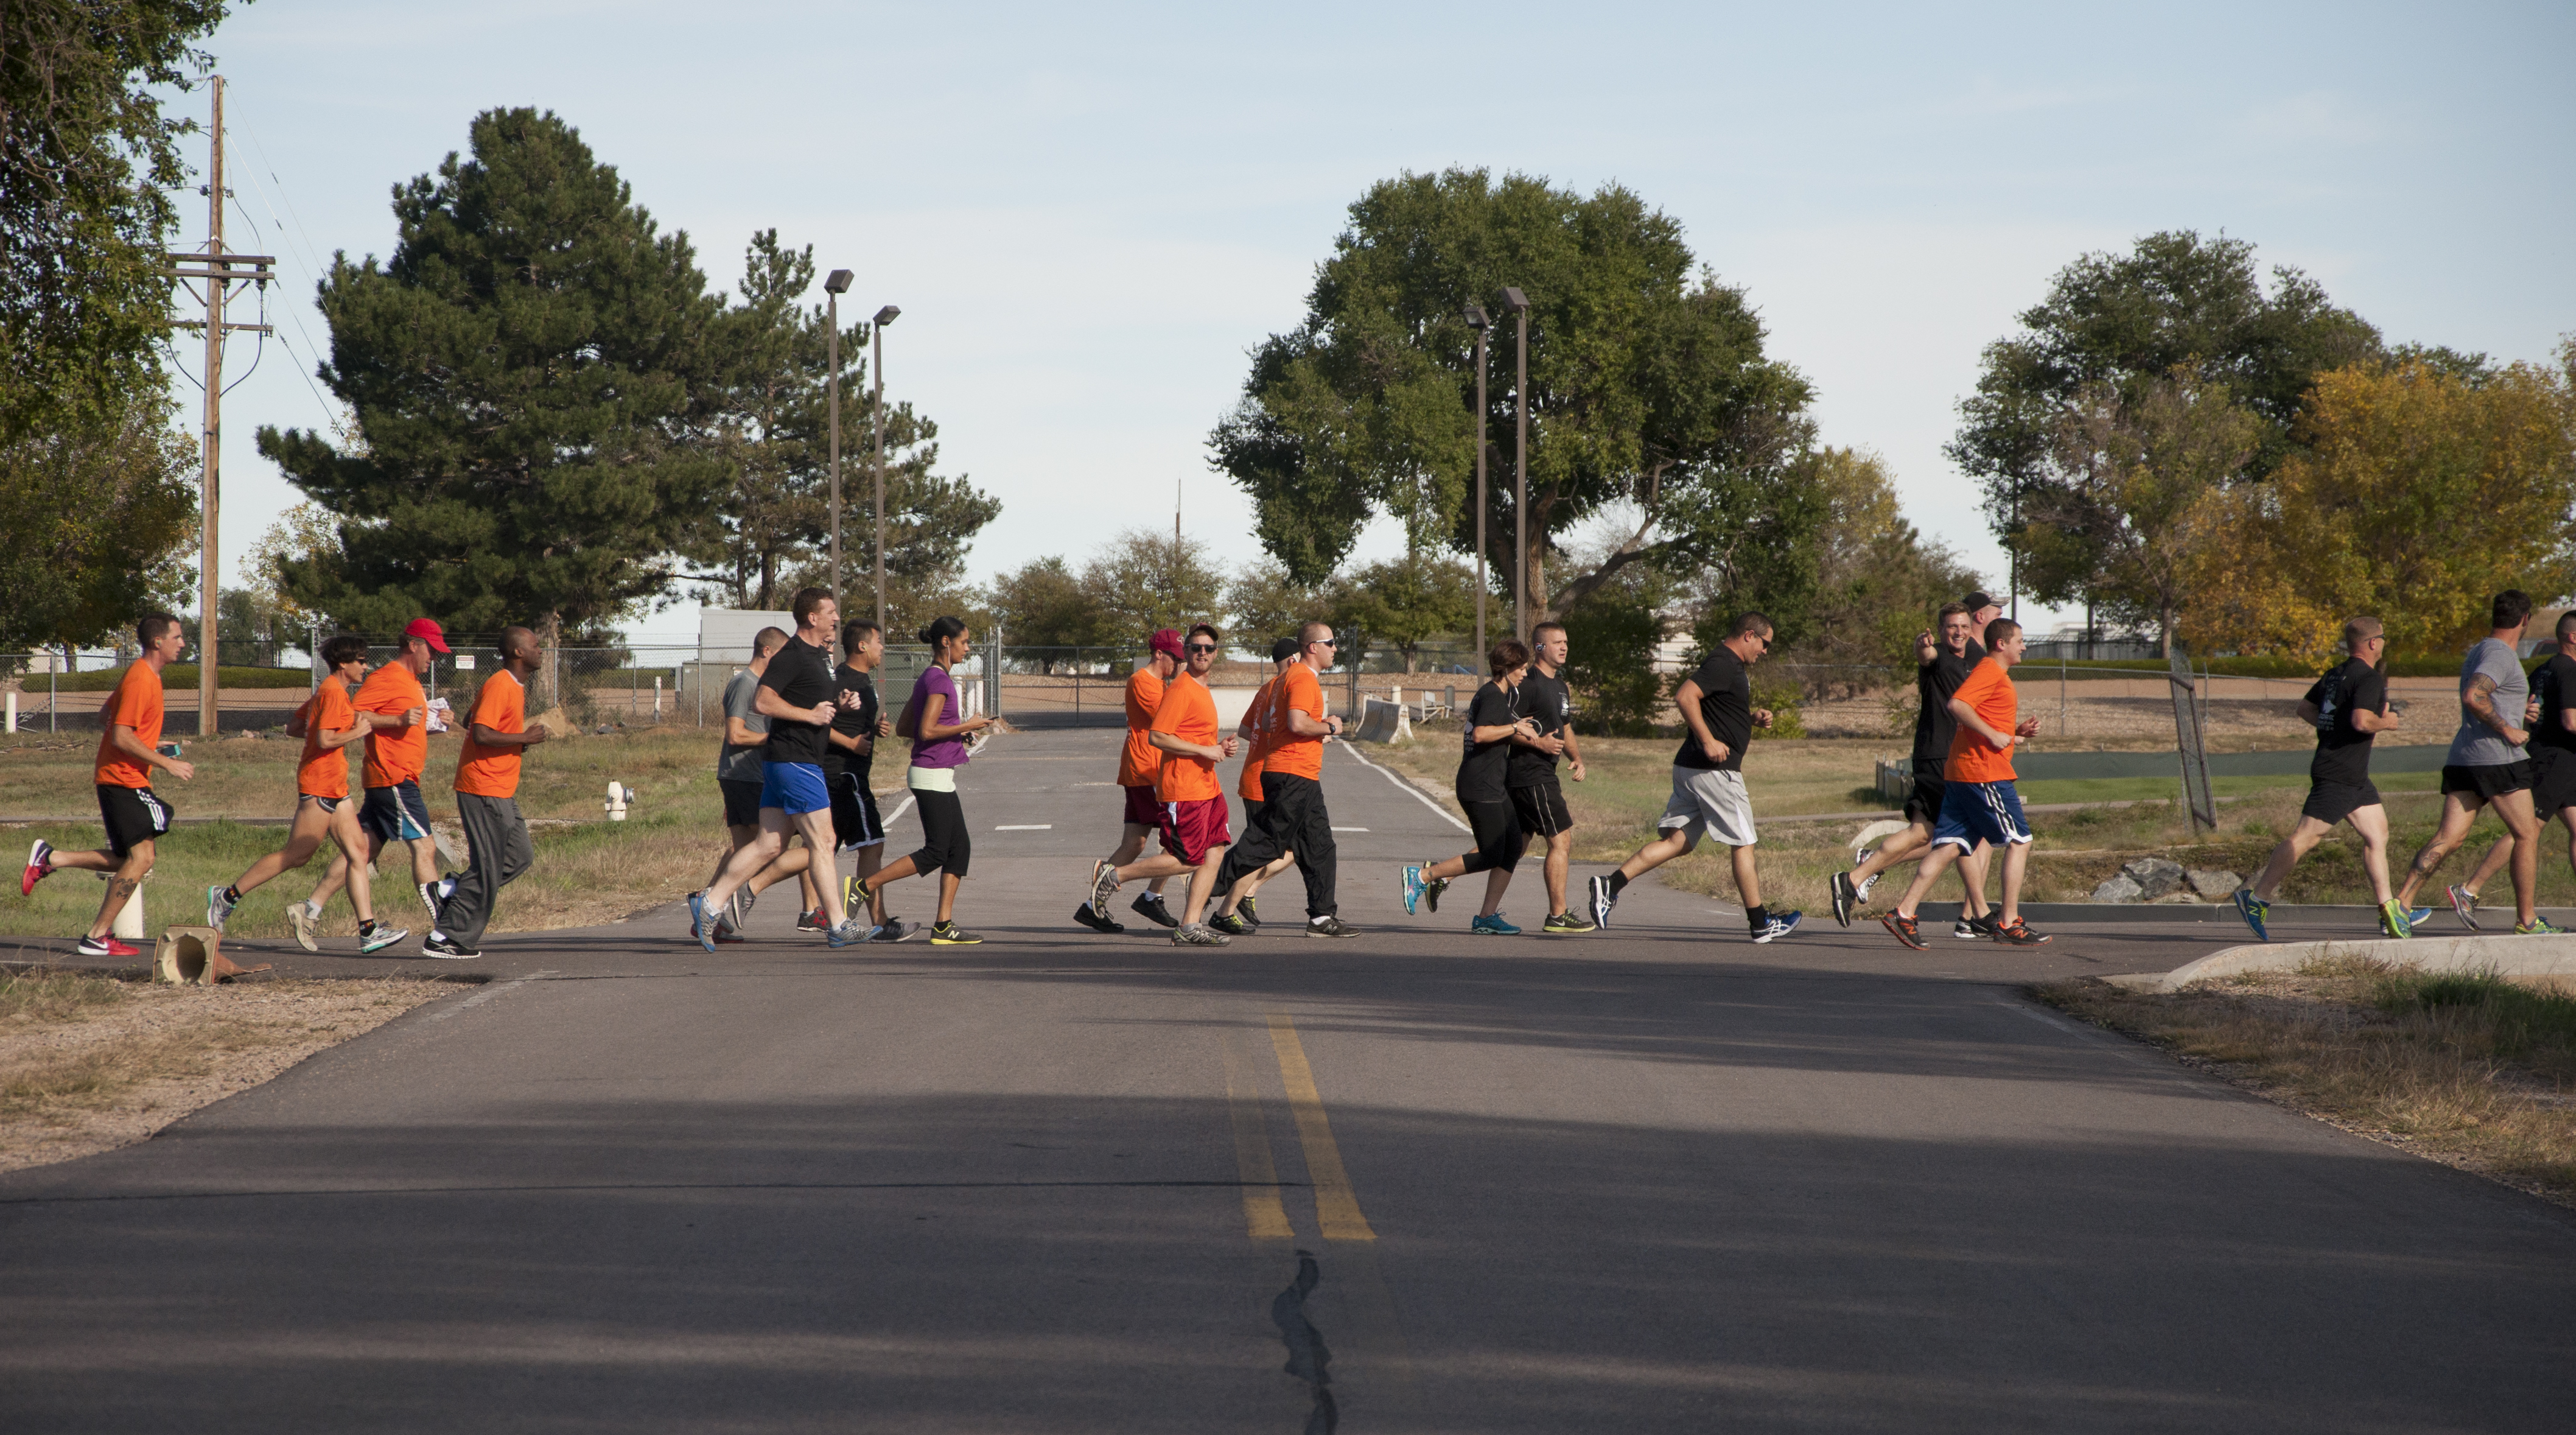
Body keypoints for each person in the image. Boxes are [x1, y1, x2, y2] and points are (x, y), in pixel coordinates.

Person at [1586, 614, 1802, 943]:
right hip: (1714, 772)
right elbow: (1685, 696)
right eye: (1765, 644)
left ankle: (1610, 886)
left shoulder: (1728, 665)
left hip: (1691, 769)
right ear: (1749, 636)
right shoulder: (1724, 663)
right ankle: (1760, 923)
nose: (1766, 652)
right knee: (1743, 842)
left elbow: (1717, 709)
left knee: (1677, 843)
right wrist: (1708, 740)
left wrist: (1749, 719)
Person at [207, 634, 408, 954]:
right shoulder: (332, 693)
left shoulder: (329, 693)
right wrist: (358, 731)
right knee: (296, 856)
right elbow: (326, 740)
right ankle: (227, 896)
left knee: (359, 854)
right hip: (319, 786)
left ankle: (369, 931)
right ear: (344, 664)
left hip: (336, 787)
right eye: (361, 661)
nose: (366, 667)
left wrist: (326, 730)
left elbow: (295, 727)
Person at [693, 588, 869, 949]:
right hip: (795, 761)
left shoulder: (817, 657)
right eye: (831, 612)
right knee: (824, 840)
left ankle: (709, 902)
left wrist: (842, 703)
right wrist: (811, 715)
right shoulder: (790, 655)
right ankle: (838, 924)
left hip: (788, 760)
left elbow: (810, 698)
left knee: (769, 845)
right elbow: (763, 700)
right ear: (812, 618)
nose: (837, 618)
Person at [2230, 617, 2415, 941]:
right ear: (2373, 643)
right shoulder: (2370, 678)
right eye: (2384, 638)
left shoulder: (2335, 674)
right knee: (2305, 838)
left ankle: (2389, 910)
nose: (2384, 643)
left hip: (2353, 776)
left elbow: (2305, 709)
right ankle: (2256, 898)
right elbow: (2362, 720)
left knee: (2377, 835)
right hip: (2339, 774)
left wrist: (2332, 727)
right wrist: (2388, 723)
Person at [23, 612, 197, 958]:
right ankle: (96, 936)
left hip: (121, 777)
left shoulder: (144, 676)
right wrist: (166, 763)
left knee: (127, 860)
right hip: (123, 780)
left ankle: (51, 858)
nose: (182, 643)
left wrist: (151, 742)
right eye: (177, 637)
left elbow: (108, 717)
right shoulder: (141, 680)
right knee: (142, 858)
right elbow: (118, 733)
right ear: (158, 642)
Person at [729, 619, 914, 942]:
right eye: (879, 642)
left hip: (836, 772)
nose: (883, 648)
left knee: (817, 846)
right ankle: (877, 922)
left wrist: (874, 730)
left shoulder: (858, 680)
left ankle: (750, 887)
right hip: (840, 774)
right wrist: (852, 743)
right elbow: (820, 723)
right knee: (869, 843)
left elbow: (838, 718)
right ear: (863, 646)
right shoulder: (841, 676)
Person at [1878, 617, 2050, 949]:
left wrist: (2014, 732)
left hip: (1962, 772)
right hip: (1984, 774)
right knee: (2020, 840)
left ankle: (1903, 912)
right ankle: (2008, 922)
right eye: (2020, 641)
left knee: (1950, 845)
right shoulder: (1989, 670)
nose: (2024, 647)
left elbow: (1982, 717)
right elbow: (1957, 705)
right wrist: (1994, 735)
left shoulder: (1990, 673)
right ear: (2002, 644)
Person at [2393, 591, 2557, 935]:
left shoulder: (2481, 650)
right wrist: (2508, 728)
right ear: (2525, 620)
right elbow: (2474, 696)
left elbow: (2486, 695)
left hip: (2465, 758)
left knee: (2449, 837)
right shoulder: (2500, 654)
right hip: (2497, 759)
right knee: (2527, 834)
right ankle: (2527, 921)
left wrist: (2518, 714)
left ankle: (2400, 907)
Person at [1831, 603, 1995, 935]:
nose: (1959, 632)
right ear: (1942, 629)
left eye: (1963, 627)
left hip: (1950, 757)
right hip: (1938, 756)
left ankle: (1854, 878)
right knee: (1963, 833)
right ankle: (1977, 915)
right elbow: (1925, 657)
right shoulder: (1939, 657)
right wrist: (1922, 647)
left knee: (1924, 833)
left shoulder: (1974, 660)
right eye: (1952, 627)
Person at [298, 619, 452, 939]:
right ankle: (448, 927)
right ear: (414, 645)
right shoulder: (387, 677)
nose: (434, 658)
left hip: (394, 777)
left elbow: (407, 729)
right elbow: (354, 715)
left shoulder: (412, 682)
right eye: (432, 651)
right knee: (424, 846)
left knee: (363, 850)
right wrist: (397, 718)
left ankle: (310, 908)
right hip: (393, 777)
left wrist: (437, 723)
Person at [1088, 623, 1239, 946]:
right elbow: (1158, 735)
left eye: (1209, 648)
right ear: (1186, 653)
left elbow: (1191, 734)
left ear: (1216, 653)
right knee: (1188, 857)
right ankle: (1115, 875)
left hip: (1208, 785)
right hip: (1182, 787)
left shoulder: (1199, 689)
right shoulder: (1179, 689)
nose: (1202, 653)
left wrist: (1219, 748)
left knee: (1214, 851)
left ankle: (1188, 925)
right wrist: (1205, 750)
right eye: (1196, 648)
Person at [1209, 623, 1359, 938]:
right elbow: (1297, 722)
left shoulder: (1283, 681)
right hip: (1292, 773)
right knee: (1266, 843)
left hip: (1299, 773)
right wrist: (1330, 727)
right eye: (1330, 643)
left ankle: (1321, 918)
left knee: (1319, 846)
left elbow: (1263, 724)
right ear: (1311, 648)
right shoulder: (1303, 678)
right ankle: (1205, 883)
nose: (1335, 649)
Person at [855, 614, 995, 944]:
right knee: (936, 851)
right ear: (946, 643)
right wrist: (966, 726)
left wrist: (956, 738)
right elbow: (927, 730)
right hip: (931, 775)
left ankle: (944, 926)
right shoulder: (940, 680)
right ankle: (865, 885)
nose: (968, 648)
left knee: (959, 848)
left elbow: (906, 728)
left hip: (937, 774)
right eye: (964, 642)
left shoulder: (929, 678)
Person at [422, 626, 550, 958]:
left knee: (519, 856)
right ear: (518, 652)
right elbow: (480, 733)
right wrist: (523, 738)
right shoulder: (501, 684)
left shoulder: (512, 686)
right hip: (482, 787)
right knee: (488, 867)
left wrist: (512, 739)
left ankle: (449, 888)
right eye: (535, 645)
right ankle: (446, 937)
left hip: (500, 788)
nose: (541, 650)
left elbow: (469, 718)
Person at [2442, 609, 2576, 925]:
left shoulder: (2545, 669)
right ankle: (2470, 889)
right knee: (2527, 831)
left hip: (2562, 760)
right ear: (2573, 637)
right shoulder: (2569, 669)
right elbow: (2571, 721)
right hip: (2553, 760)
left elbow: (2526, 709)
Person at [1403, 639, 1542, 933]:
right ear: (1505, 669)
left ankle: (1486, 918)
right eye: (1521, 668)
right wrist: (1516, 727)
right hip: (1479, 786)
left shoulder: (1497, 695)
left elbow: (1494, 732)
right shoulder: (1493, 695)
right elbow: (1480, 734)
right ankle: (1423, 876)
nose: (1525, 673)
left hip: (1491, 784)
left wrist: (1521, 730)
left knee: (1514, 844)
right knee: (1492, 853)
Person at [1078, 630, 1185, 933]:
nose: (1179, 664)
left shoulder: (1161, 684)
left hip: (1144, 770)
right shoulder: (1142, 682)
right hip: (1147, 770)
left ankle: (1092, 907)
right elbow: (1170, 720)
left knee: (1134, 843)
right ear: (1159, 654)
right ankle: (1152, 896)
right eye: (1176, 658)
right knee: (1179, 841)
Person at [695, 626, 785, 944]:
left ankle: (706, 906)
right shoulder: (743, 684)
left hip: (752, 776)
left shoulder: (763, 687)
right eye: (782, 654)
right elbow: (735, 735)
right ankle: (707, 903)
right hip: (743, 776)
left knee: (745, 850)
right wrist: (774, 739)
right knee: (767, 847)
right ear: (766, 652)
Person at [1204, 637, 1297, 936]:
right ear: (1294, 658)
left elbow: (1246, 729)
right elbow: (1275, 727)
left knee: (1293, 848)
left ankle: (1246, 890)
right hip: (1265, 780)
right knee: (1262, 850)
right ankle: (1225, 903)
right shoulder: (1284, 687)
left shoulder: (1267, 687)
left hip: (1256, 776)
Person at [1511, 621, 1592, 933]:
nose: (1564, 647)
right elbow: (1507, 729)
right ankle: (1558, 915)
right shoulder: (1527, 683)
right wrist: (1539, 742)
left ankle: (1433, 876)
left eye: (1566, 642)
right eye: (1557, 642)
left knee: (1508, 848)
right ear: (1539, 648)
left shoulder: (1560, 686)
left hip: (1544, 772)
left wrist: (1577, 758)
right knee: (1561, 839)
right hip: (1531, 773)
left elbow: (1564, 726)